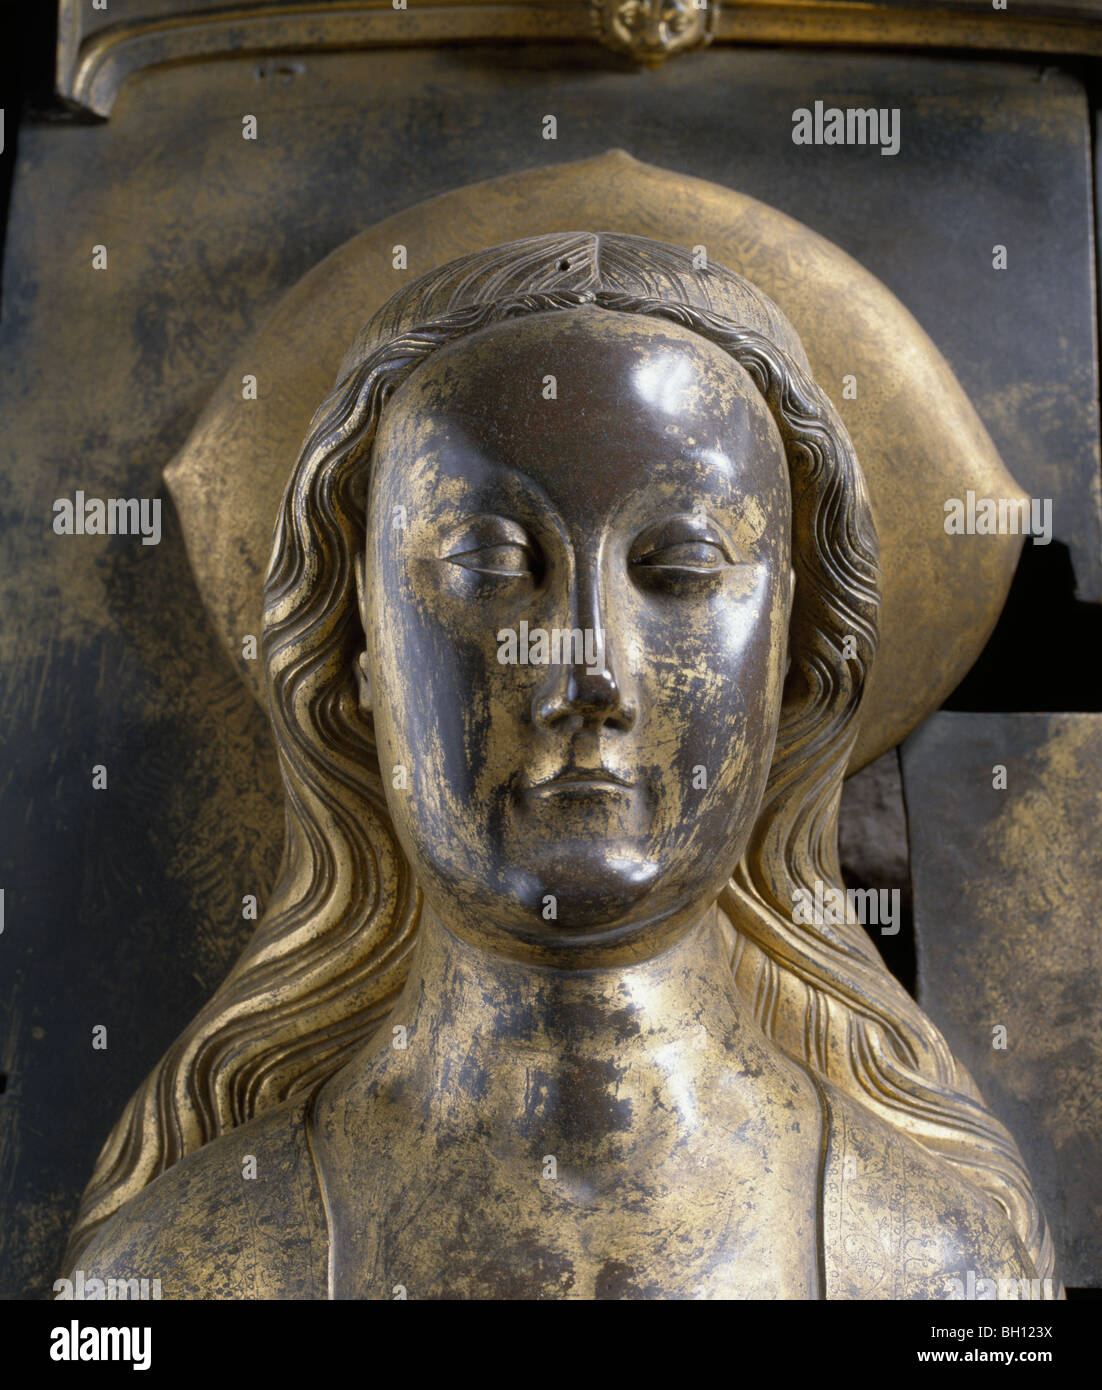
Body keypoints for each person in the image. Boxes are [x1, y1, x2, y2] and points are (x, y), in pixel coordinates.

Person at [65, 233, 1054, 1299]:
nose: (588, 670)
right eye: (491, 565)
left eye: (678, 566)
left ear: (790, 661)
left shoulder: (939, 1270)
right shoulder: (186, 1275)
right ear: (355, 649)